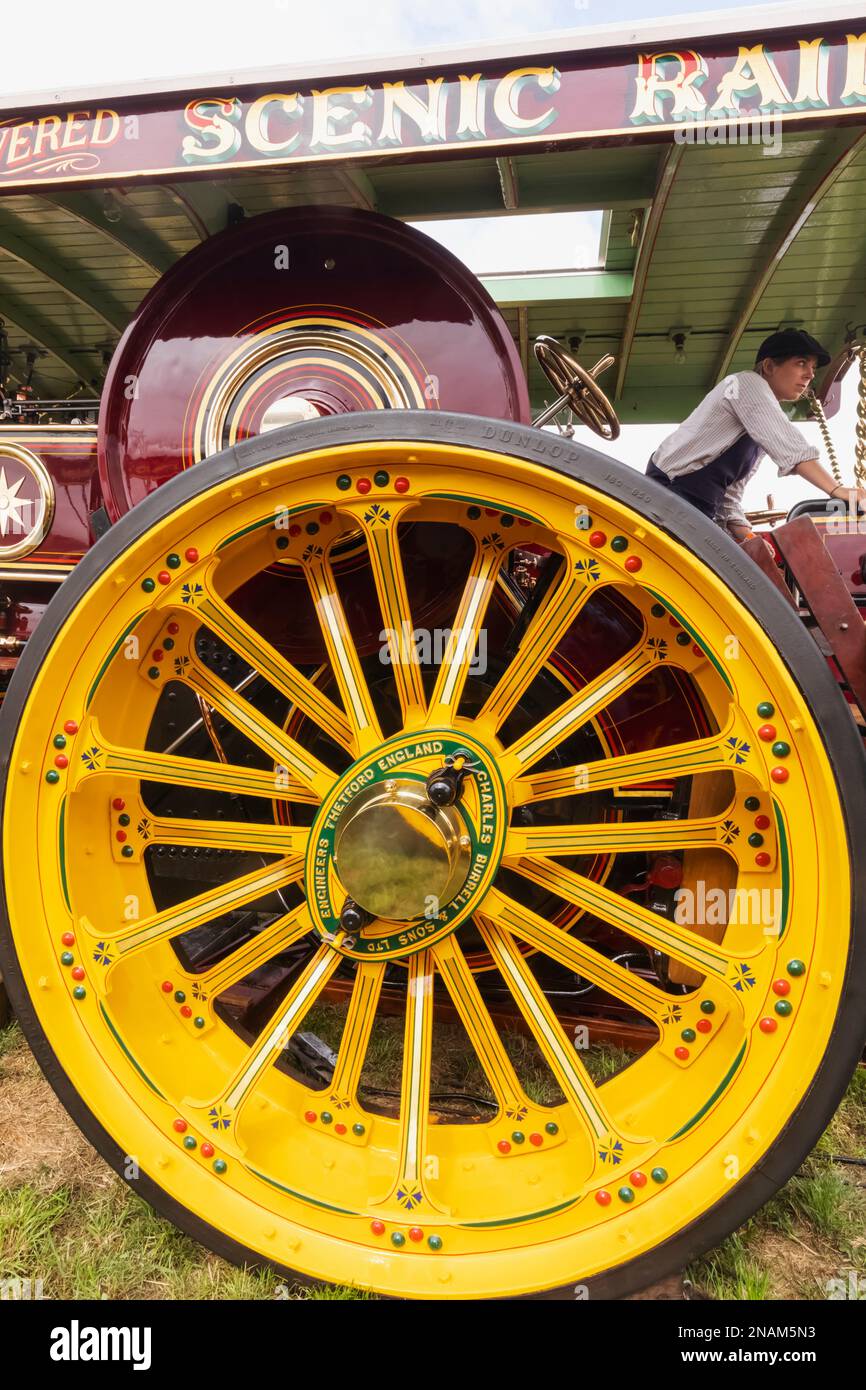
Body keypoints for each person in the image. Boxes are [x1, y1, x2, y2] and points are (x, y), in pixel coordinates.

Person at [646, 328, 866, 541]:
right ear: (769, 366)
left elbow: (729, 498)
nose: (810, 374)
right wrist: (836, 490)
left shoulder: (759, 422)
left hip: (695, 508)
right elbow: (793, 450)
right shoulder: (746, 383)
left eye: (813, 367)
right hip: (669, 495)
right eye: (801, 363)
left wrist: (750, 538)